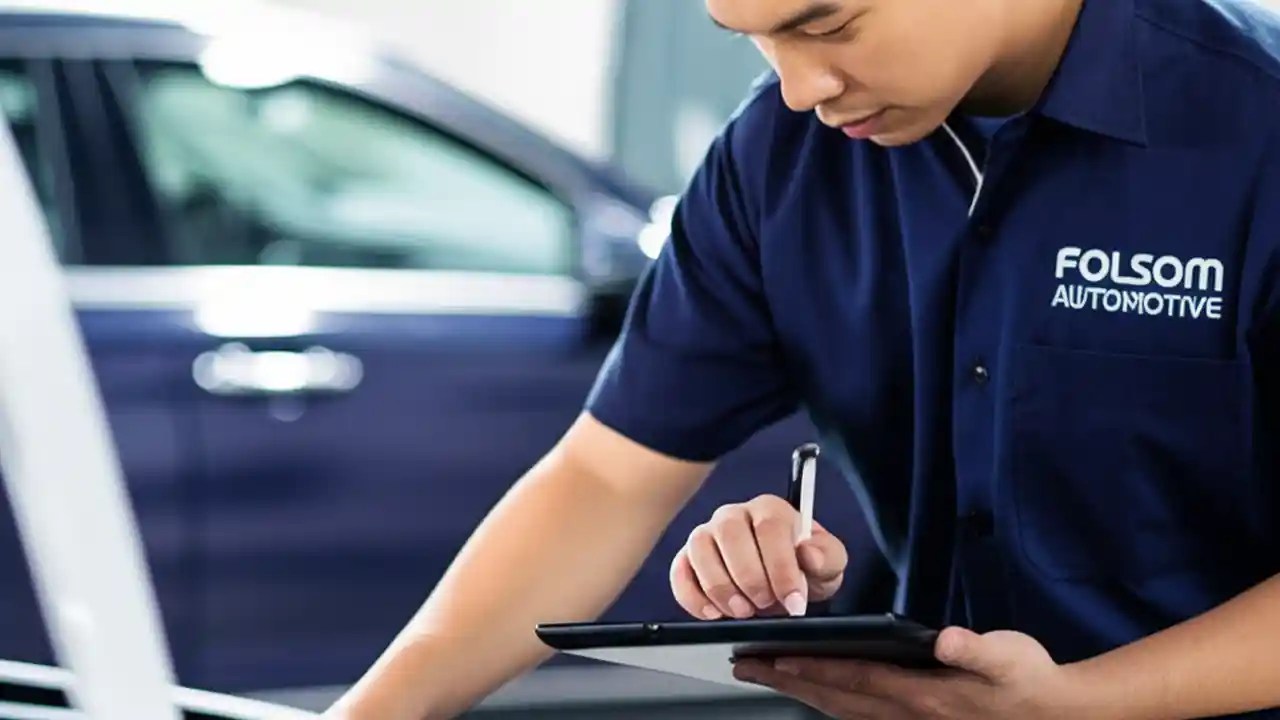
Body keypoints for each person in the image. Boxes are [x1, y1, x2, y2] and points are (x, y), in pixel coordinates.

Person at [325, 0, 1280, 717]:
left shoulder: (1261, 127)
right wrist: (377, 711)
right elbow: (606, 478)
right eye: (755, 38)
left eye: (827, 24)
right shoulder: (777, 157)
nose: (799, 88)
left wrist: (1083, 704)